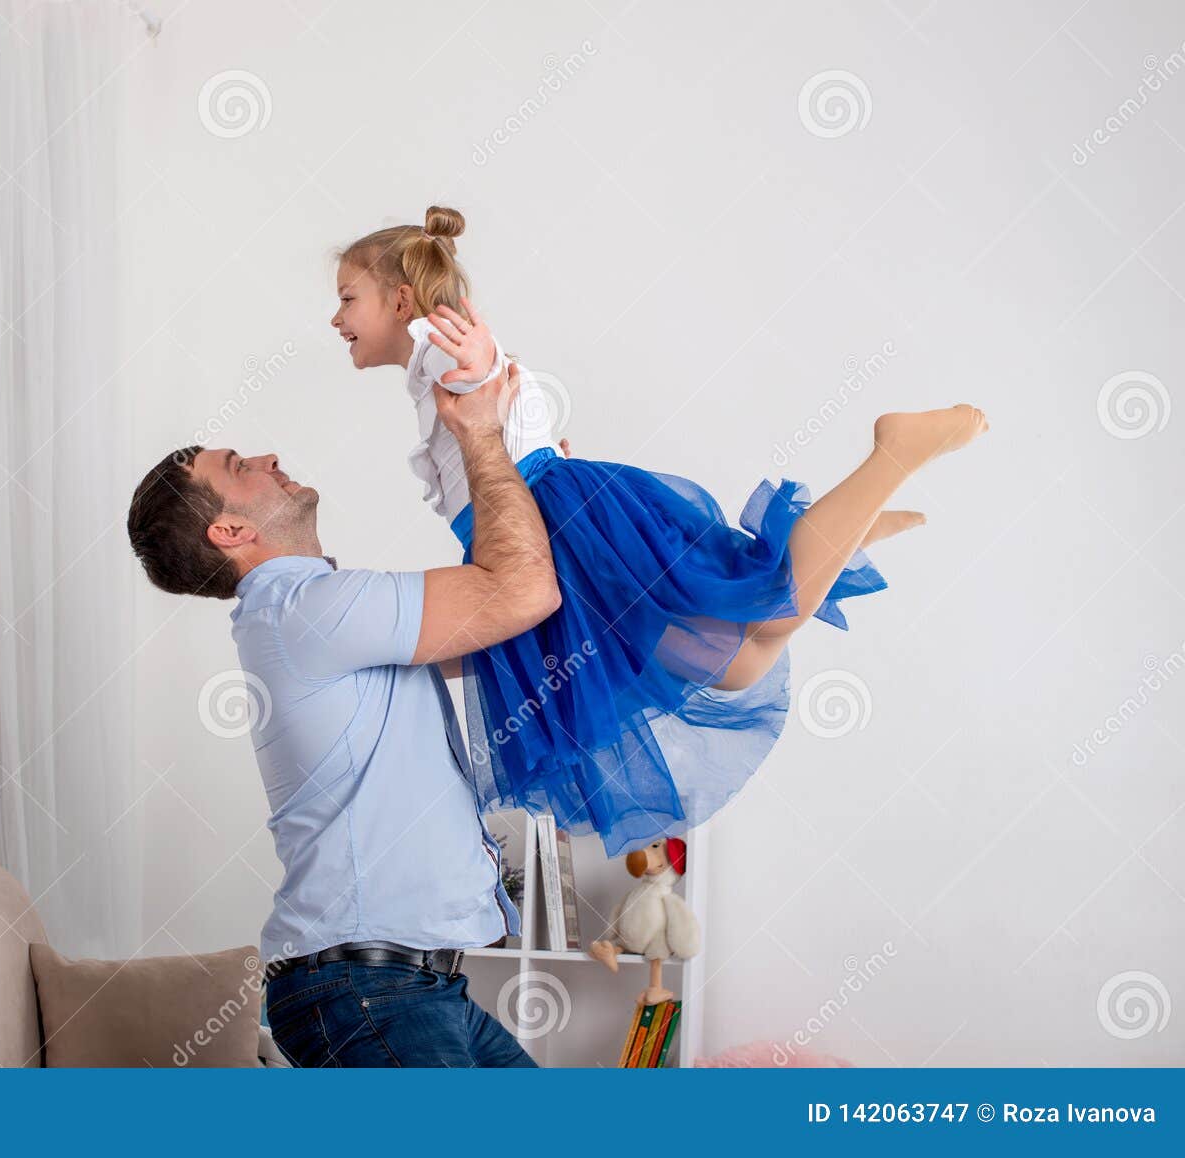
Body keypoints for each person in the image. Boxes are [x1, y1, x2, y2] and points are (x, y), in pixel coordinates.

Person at [331, 206, 989, 856]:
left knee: (756, 633)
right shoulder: (427, 359)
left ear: (401, 299)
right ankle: (849, 529)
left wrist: (481, 369)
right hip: (546, 528)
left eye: (347, 298)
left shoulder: (439, 344)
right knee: (747, 647)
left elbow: (481, 373)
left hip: (562, 531)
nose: (337, 319)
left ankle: (894, 455)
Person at [127, 358, 557, 1067]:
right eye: (239, 465)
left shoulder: (312, 619)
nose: (267, 458)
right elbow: (521, 591)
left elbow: (507, 630)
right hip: (367, 990)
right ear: (229, 531)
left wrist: (540, 492)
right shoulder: (308, 611)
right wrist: (482, 439)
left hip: (404, 987)